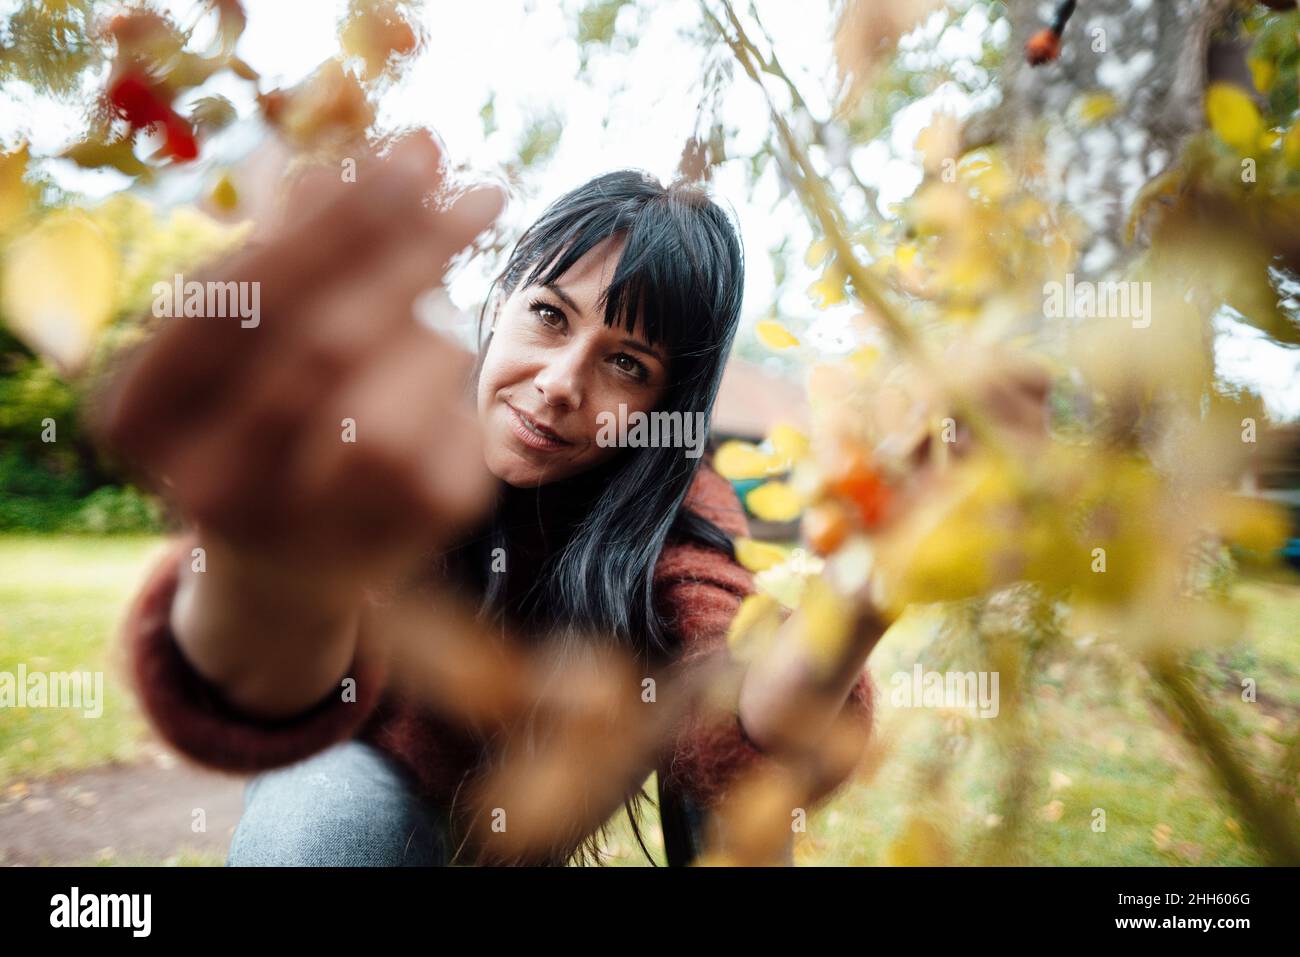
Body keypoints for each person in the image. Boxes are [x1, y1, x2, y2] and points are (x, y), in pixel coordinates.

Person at [98, 134, 882, 866]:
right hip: (370, 806)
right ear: (502, 297)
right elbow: (272, 674)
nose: (561, 382)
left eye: (629, 364)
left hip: (525, 831)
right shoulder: (396, 443)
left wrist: (868, 585)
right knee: (329, 806)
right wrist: (258, 562)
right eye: (549, 315)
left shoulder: (680, 506)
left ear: (663, 404)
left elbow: (744, 703)